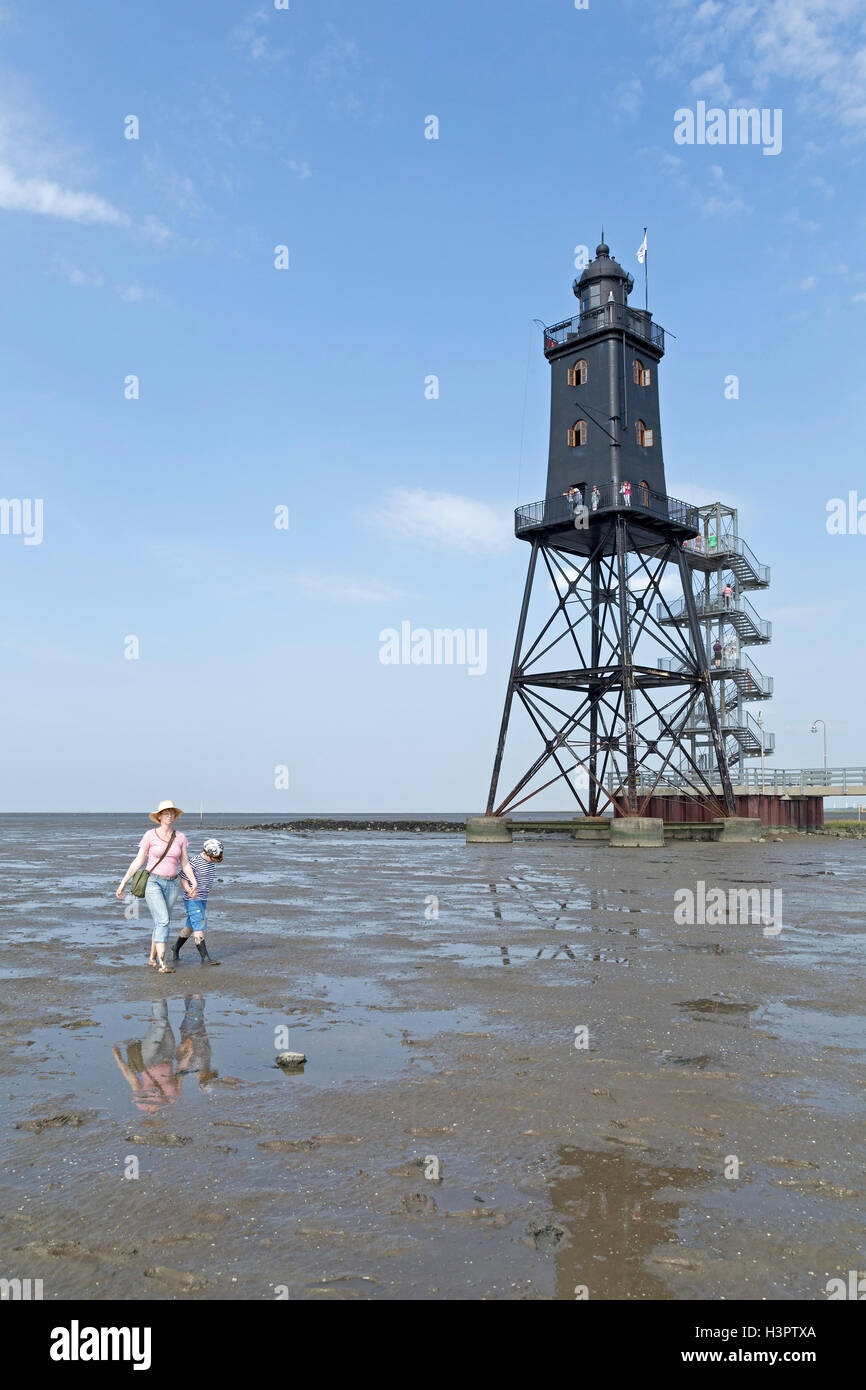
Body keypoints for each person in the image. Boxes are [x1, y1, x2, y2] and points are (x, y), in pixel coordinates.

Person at [116, 800, 198, 974]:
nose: (170, 816)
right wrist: (123, 882)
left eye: (172, 813)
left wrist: (192, 881)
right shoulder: (150, 835)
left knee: (161, 922)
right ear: (159, 817)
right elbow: (139, 860)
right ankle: (163, 963)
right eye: (166, 813)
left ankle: (152, 958)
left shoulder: (180, 837)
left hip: (173, 882)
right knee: (163, 921)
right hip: (153, 882)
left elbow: (184, 863)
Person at [171, 838, 223, 965]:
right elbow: (182, 877)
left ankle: (175, 948)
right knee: (199, 926)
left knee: (189, 927)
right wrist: (189, 890)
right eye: (214, 858)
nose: (214, 861)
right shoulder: (194, 861)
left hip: (203, 899)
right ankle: (205, 958)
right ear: (206, 852)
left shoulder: (211, 862)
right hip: (193, 899)